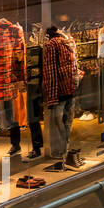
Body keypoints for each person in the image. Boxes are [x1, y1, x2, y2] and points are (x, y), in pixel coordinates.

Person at [41, 26, 78, 170]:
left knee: (57, 120)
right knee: (68, 119)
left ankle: (60, 151)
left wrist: (51, 96)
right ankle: (66, 148)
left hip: (59, 90)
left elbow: (50, 72)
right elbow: (75, 65)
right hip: (70, 88)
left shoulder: (51, 45)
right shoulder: (69, 41)